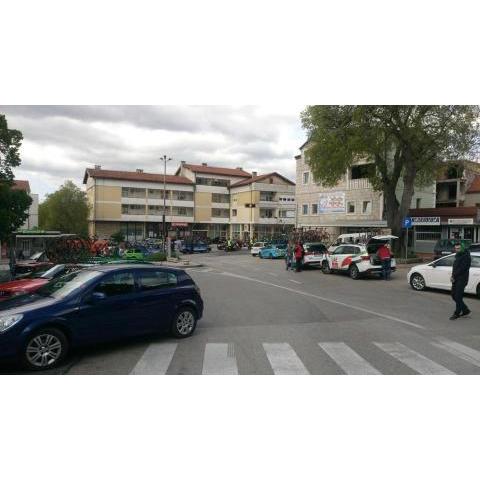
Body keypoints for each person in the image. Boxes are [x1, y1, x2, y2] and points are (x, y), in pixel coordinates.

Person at [450, 242, 471, 320]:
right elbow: (455, 267)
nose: (457, 250)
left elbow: (462, 268)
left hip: (462, 279)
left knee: (458, 296)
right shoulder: (458, 255)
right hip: (456, 278)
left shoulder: (466, 256)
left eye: (458, 248)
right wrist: (453, 276)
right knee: (453, 295)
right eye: (455, 248)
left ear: (462, 248)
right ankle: (465, 309)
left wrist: (453, 275)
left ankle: (457, 313)